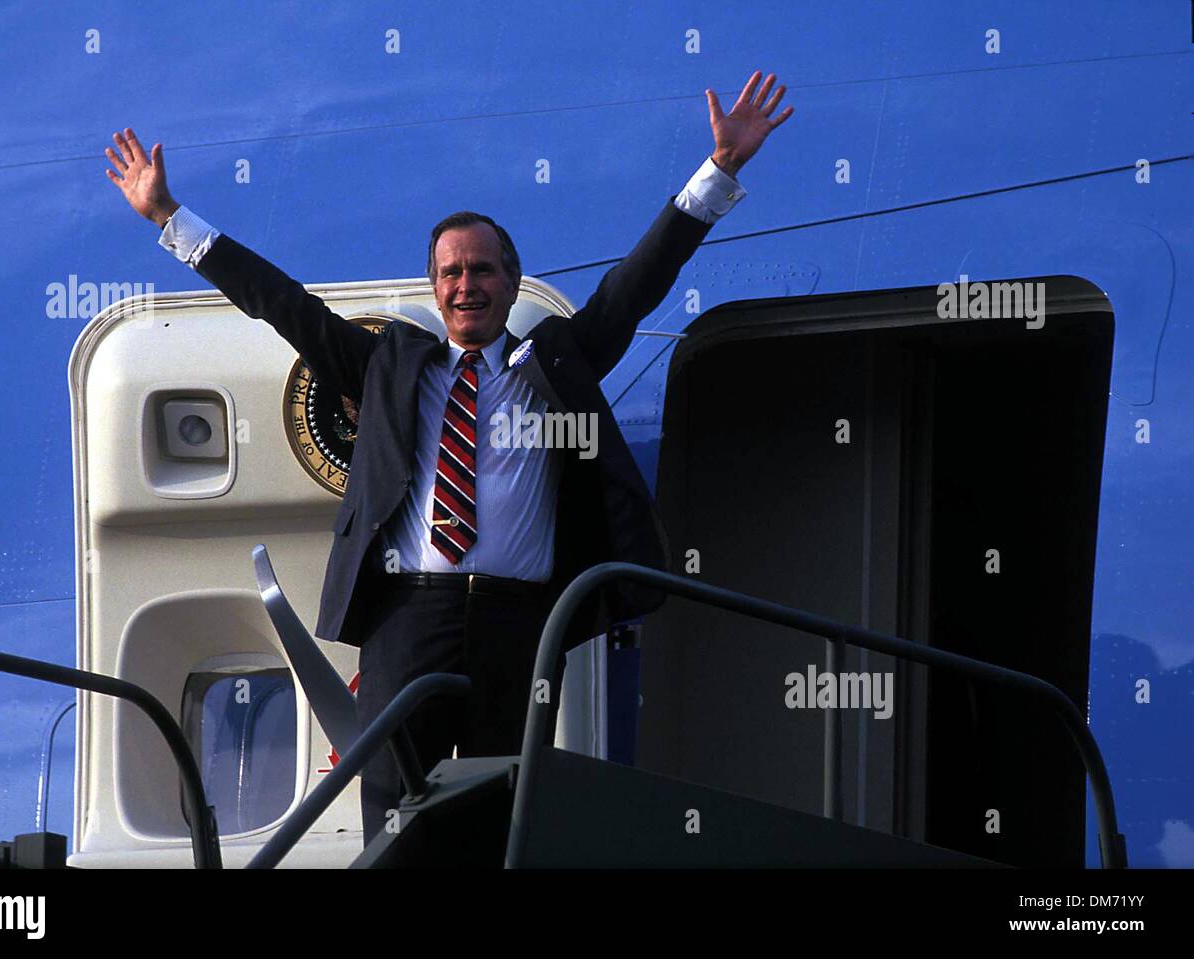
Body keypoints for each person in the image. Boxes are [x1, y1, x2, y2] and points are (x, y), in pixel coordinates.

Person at [105, 70, 792, 845]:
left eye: (483, 269)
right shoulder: (389, 367)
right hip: (410, 616)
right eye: (452, 272)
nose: (468, 284)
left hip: (520, 620)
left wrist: (719, 171)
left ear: (510, 281)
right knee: (400, 815)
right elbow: (280, 302)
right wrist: (170, 215)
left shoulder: (555, 362)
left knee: (505, 812)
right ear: (436, 290)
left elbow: (636, 287)